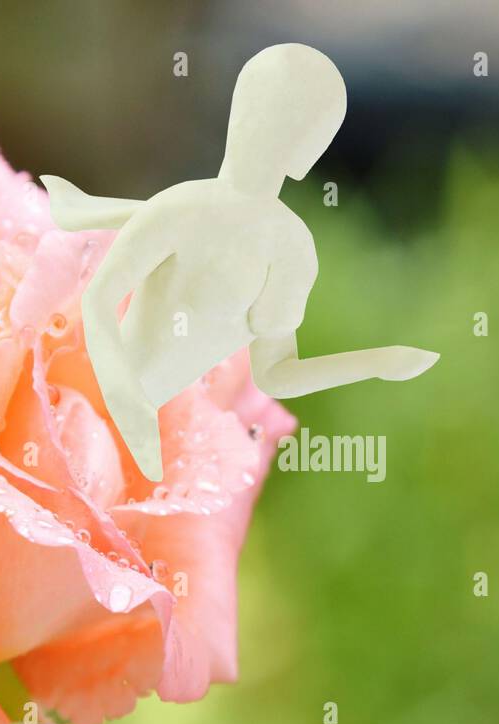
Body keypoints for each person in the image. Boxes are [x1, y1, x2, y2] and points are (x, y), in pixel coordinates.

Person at [43, 43, 439, 482]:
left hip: (135, 445)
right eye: (255, 106)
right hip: (90, 409)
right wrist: (127, 401)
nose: (255, 125)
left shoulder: (290, 249)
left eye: (285, 120)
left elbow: (274, 373)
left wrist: (376, 364)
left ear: (308, 148)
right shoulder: (182, 207)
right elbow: (99, 298)